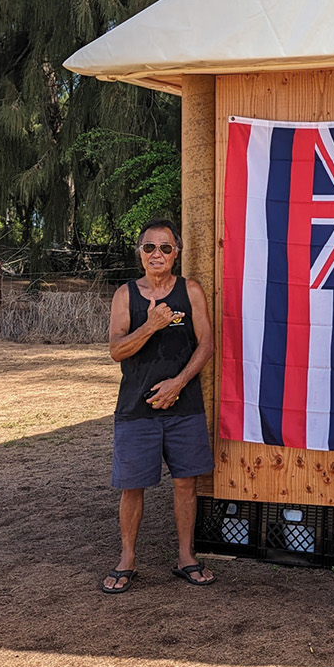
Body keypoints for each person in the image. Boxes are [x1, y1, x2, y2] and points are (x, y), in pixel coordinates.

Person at [101, 219, 217, 593]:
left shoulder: (191, 291)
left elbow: (207, 345)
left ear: (176, 253)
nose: (157, 254)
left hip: (185, 407)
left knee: (186, 483)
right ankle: (127, 559)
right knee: (132, 486)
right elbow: (116, 350)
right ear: (140, 253)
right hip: (137, 408)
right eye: (150, 247)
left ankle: (186, 557)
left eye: (166, 248)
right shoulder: (125, 296)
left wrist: (178, 383)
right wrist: (150, 325)